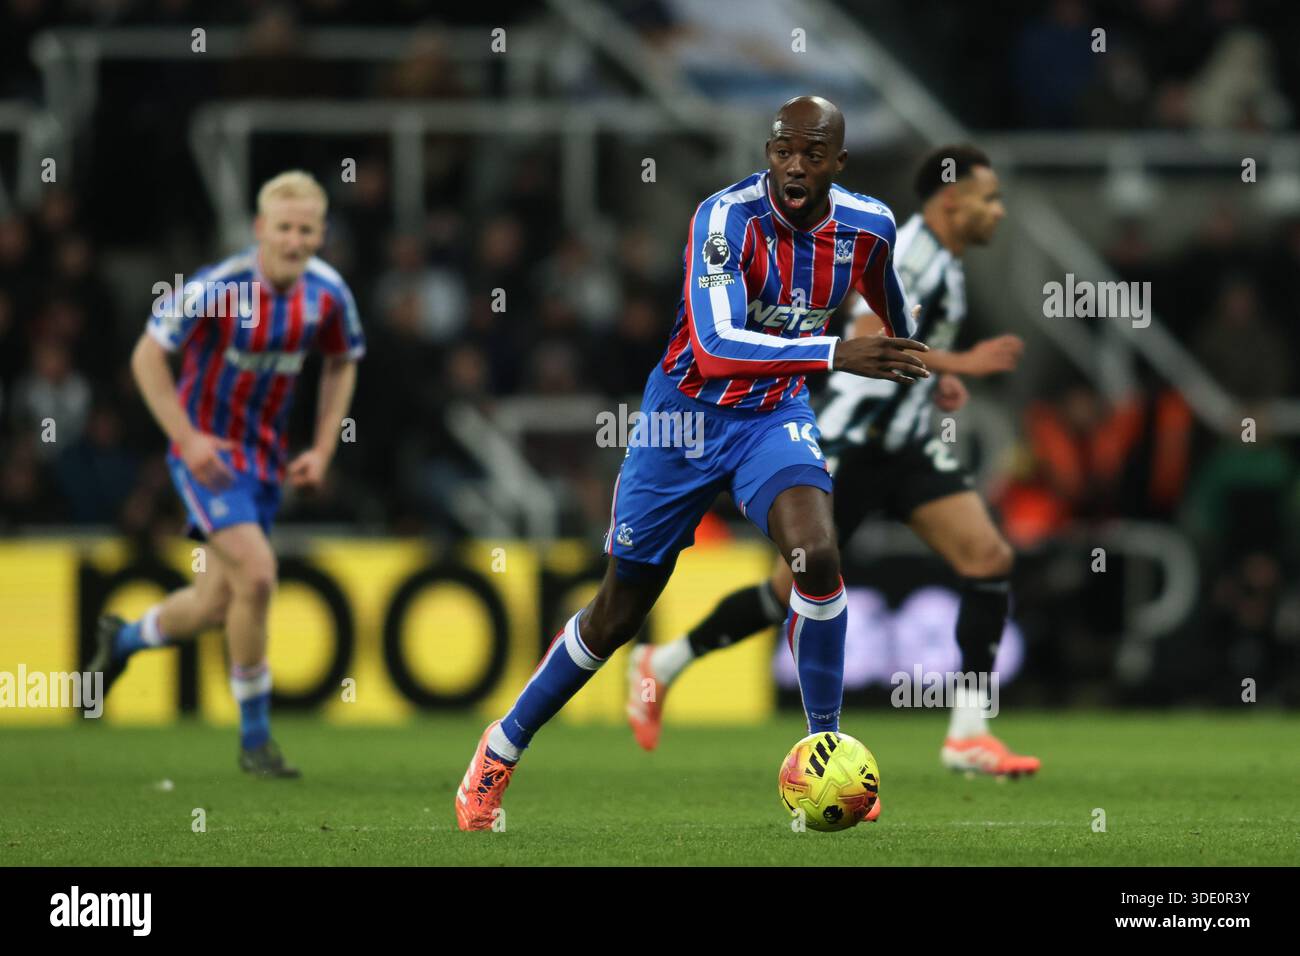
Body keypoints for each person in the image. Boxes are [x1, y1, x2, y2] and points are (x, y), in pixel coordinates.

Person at [455, 95, 929, 830]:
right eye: (781, 151)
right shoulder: (724, 219)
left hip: (773, 414)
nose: (794, 166)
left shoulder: (868, 226)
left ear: (839, 162)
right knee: (618, 613)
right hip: (684, 418)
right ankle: (500, 747)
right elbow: (715, 345)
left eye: (811, 153)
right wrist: (839, 351)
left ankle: (824, 751)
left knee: (815, 553)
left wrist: (910, 354)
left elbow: (890, 304)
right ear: (767, 152)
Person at [626, 144, 1040, 777]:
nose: (999, 212)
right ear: (952, 202)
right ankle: (665, 663)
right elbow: (864, 331)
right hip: (851, 443)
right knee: (787, 591)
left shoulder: (948, 263)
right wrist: (958, 364)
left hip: (903, 446)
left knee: (989, 558)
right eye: (990, 199)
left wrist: (934, 377)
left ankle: (967, 734)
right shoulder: (912, 252)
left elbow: (902, 345)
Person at [89, 171, 364, 777]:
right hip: (210, 455)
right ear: (261, 229)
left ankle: (126, 638)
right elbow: (146, 354)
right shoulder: (221, 287)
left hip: (265, 460)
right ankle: (255, 740)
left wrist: (321, 449)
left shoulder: (328, 294)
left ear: (320, 234)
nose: (294, 240)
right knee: (260, 577)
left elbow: (343, 362)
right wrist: (186, 439)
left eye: (307, 229)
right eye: (284, 228)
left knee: (217, 603)